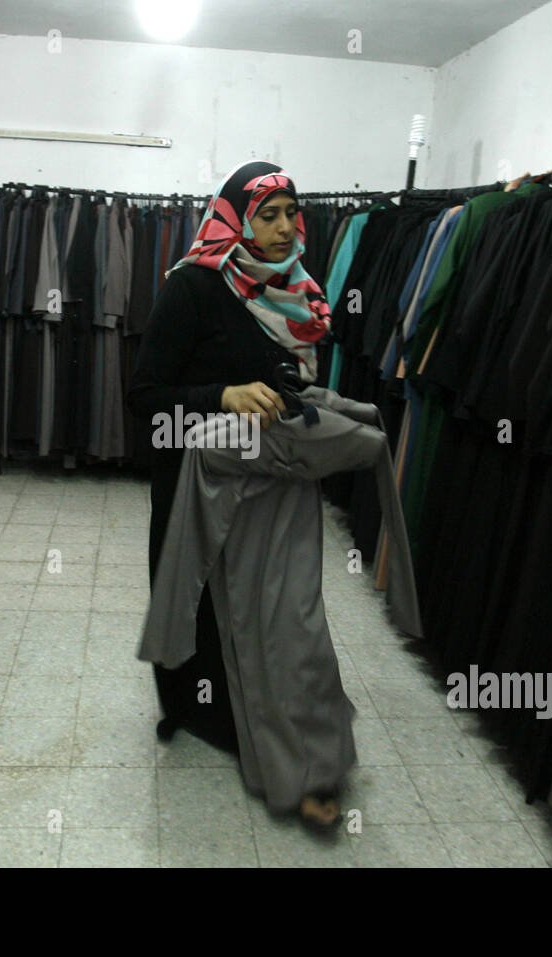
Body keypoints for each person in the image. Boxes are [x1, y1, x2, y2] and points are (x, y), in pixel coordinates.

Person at [127, 160, 346, 831]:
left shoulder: (302, 292)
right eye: (267, 215)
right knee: (195, 596)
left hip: (269, 479)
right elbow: (143, 397)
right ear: (235, 218)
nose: (284, 229)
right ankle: (199, 709)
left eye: (290, 213)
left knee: (265, 605)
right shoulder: (193, 287)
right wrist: (218, 395)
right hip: (196, 479)